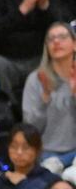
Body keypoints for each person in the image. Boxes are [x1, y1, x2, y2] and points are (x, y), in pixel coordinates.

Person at [23, 21, 76, 165]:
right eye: (51, 39)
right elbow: (31, 131)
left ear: (75, 44)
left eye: (62, 37)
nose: (56, 42)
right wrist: (44, 99)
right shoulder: (37, 79)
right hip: (48, 153)